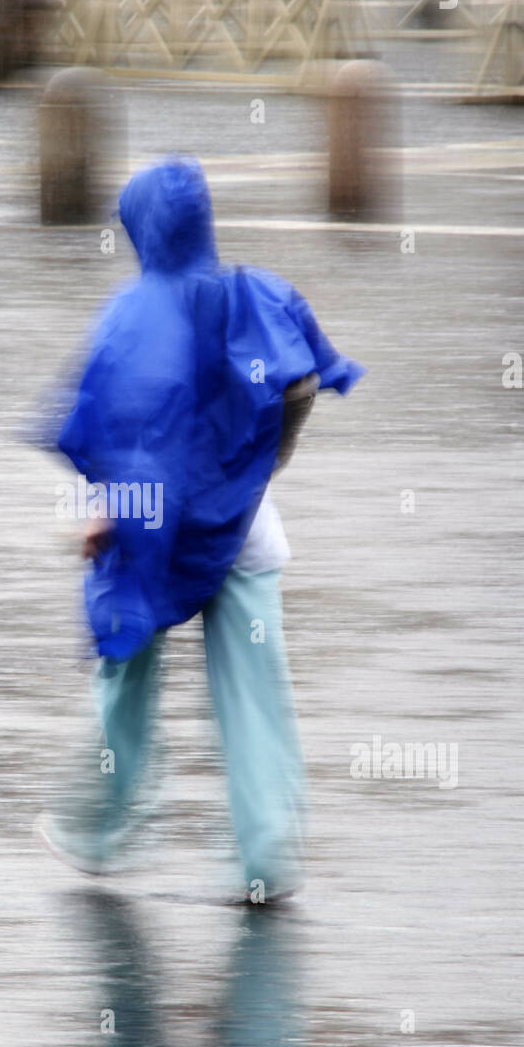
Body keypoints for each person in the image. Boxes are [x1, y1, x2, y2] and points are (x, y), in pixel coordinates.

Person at [37, 156, 364, 902]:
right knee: (254, 695)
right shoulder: (258, 297)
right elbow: (303, 380)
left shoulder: (130, 317)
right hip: (243, 531)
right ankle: (267, 855)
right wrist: (258, 468)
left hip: (152, 537)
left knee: (124, 677)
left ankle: (97, 829)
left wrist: (103, 515)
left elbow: (121, 434)